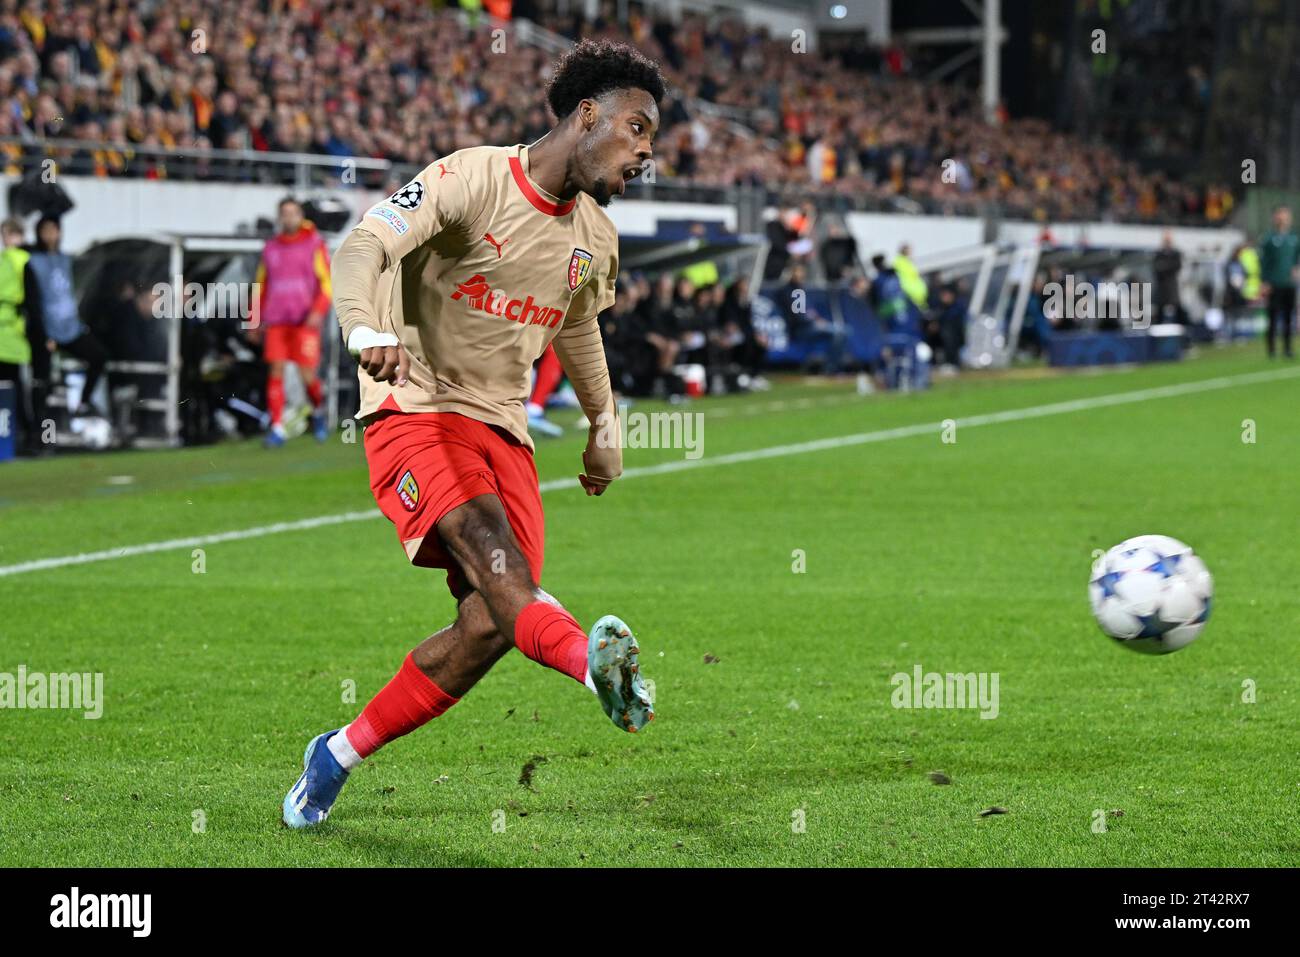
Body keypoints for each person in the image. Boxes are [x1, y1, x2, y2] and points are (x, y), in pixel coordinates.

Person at [282, 39, 662, 829]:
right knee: (501, 569)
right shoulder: (471, 177)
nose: (646, 152)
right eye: (637, 128)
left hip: (503, 427)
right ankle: (598, 674)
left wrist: (604, 425)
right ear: (586, 114)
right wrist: (361, 333)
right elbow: (364, 246)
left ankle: (339, 752)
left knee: (492, 621)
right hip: (412, 406)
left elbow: (579, 328)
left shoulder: (595, 238)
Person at [252, 197, 333, 446]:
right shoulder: (271, 248)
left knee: (307, 374)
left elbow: (327, 283)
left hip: (304, 322)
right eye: (284, 213)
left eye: (293, 213)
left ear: (301, 216)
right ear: (279, 217)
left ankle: (317, 413)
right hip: (277, 322)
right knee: (275, 370)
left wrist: (318, 311)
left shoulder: (314, 244)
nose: (289, 218)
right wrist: (254, 319)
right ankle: (277, 427)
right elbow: (260, 287)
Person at [28, 216, 107, 417]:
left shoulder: (64, 259)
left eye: (54, 229)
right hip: (46, 331)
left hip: (70, 328)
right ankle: (39, 431)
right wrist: (44, 335)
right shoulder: (33, 262)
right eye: (45, 230)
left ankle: (83, 403)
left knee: (98, 356)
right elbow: (34, 303)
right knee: (41, 380)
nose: (50, 234)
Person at [0, 217, 43, 453]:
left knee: (16, 388)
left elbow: (32, 302)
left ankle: (28, 435)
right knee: (15, 388)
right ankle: (23, 435)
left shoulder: (21, 260)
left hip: (13, 334)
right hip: (10, 333)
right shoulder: (14, 259)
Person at [1259, 205, 1298, 358]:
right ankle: (1271, 350)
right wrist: (1264, 281)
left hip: (1289, 284)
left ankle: (1288, 349)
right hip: (1274, 283)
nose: (1283, 218)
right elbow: (1264, 262)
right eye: (1280, 215)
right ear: (1275, 218)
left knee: (1289, 317)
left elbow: (1296, 258)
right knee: (1273, 317)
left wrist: (1296, 268)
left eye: (1285, 215)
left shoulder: (1294, 238)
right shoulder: (1269, 238)